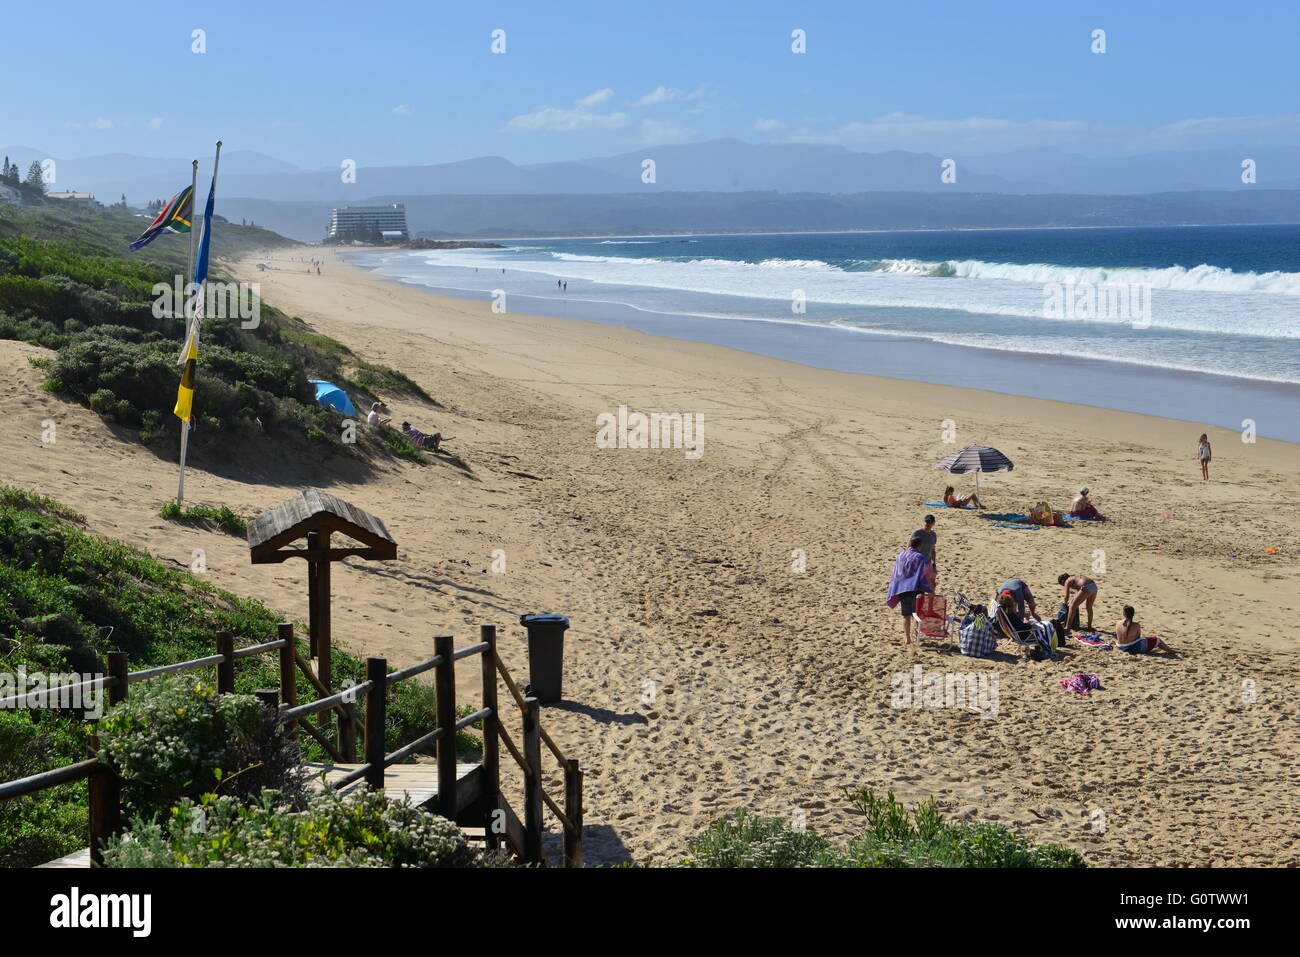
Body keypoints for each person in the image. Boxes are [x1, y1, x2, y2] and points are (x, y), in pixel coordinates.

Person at [886, 533, 935, 645]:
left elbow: (896, 573)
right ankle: (917, 636)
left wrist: (895, 587)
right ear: (919, 546)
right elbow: (922, 575)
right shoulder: (919, 557)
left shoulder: (900, 555)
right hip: (916, 589)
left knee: (906, 616)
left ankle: (907, 638)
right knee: (917, 615)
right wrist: (928, 589)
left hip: (902, 589)